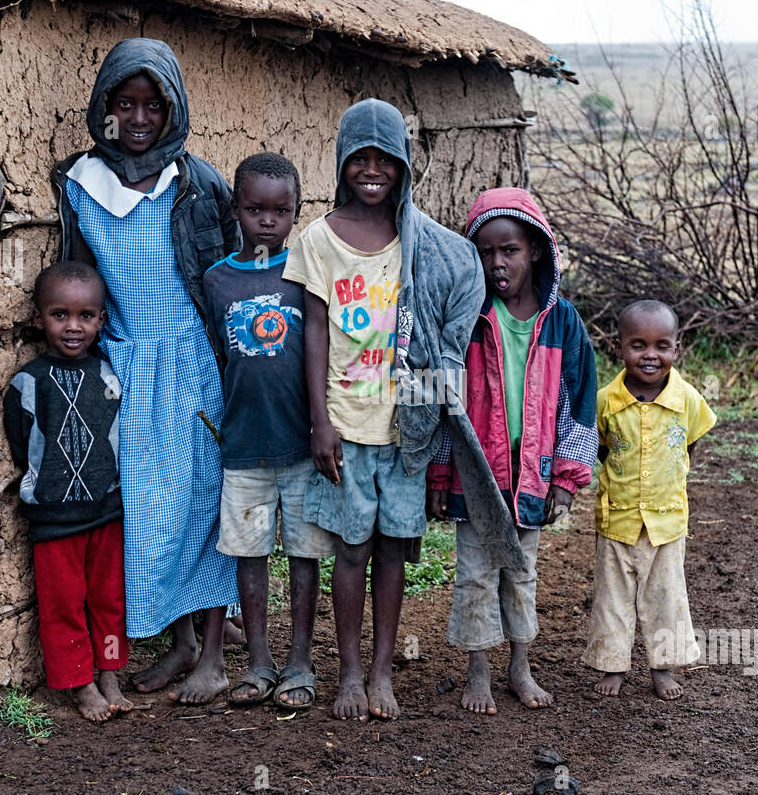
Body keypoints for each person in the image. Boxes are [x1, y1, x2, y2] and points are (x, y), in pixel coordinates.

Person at [283, 98, 523, 721]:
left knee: (392, 550)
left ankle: (385, 671)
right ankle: (351, 675)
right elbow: (312, 333)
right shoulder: (318, 240)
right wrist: (320, 422)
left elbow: (456, 316)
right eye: (358, 158)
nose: (371, 171)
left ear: (402, 166)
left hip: (407, 428)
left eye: (383, 160)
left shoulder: (427, 245)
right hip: (345, 424)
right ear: (341, 164)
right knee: (350, 551)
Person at [51, 38, 239, 706]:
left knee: (208, 503)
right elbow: (75, 277)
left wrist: (239, 366)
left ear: (173, 108)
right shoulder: (80, 185)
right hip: (127, 366)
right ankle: (181, 642)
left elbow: (230, 278)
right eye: (123, 104)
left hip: (193, 361)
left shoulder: (198, 182)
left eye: (151, 105)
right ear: (103, 107)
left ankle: (214, 655)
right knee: (148, 509)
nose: (137, 118)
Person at [427, 188, 597, 715]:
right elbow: (442, 399)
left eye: (510, 250)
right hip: (476, 476)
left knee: (521, 573)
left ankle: (520, 666)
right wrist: (438, 472)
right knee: (475, 572)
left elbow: (579, 404)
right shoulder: (468, 316)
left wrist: (567, 479)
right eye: (484, 252)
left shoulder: (563, 323)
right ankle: (477, 671)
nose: (497, 263)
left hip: (533, 477)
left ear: (538, 250)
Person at [204, 153, 332, 711]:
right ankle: (258, 662)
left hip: (304, 446)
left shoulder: (306, 274)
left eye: (280, 211)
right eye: (255, 209)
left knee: (304, 556)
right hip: (243, 448)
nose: (266, 222)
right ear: (236, 209)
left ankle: (299, 661)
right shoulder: (217, 281)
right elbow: (216, 352)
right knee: (249, 556)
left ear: (296, 214)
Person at [3, 261, 131, 722]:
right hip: (54, 520)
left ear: (101, 319)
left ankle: (110, 669)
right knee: (63, 604)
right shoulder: (27, 383)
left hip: (106, 512)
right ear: (39, 318)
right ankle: (80, 681)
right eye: (60, 315)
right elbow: (23, 447)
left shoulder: (111, 376)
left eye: (86, 316)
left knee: (108, 598)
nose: (73, 327)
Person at [582, 300, 716, 700]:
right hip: (617, 519)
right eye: (638, 345)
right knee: (612, 598)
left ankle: (663, 668)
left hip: (667, 522)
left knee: (667, 599)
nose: (650, 355)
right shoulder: (606, 400)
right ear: (618, 347)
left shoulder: (687, 399)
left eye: (662, 345)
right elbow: (602, 448)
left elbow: (690, 443)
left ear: (677, 348)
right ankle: (612, 666)